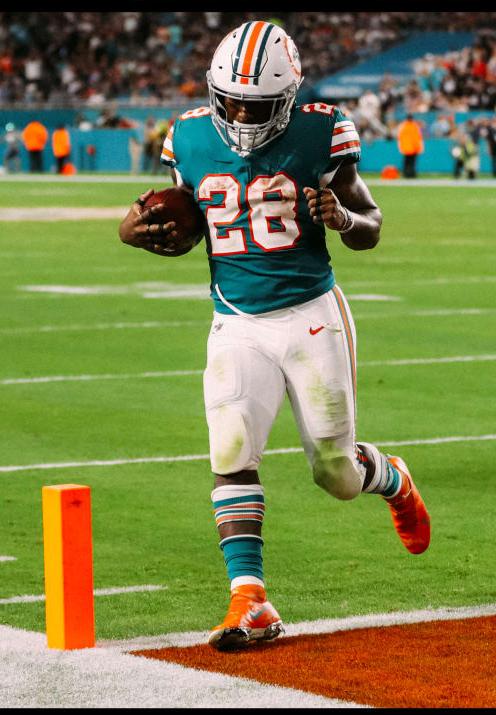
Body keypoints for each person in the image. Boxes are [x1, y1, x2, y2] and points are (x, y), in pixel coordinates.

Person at [116, 20, 431, 652]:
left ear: (285, 98)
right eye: (228, 98)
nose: (237, 112)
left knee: (335, 473)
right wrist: (133, 230)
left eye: (254, 104)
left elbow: (370, 222)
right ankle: (250, 599)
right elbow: (181, 215)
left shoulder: (322, 130)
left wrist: (342, 217)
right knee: (230, 452)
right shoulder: (189, 135)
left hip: (310, 313)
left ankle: (390, 477)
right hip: (235, 319)